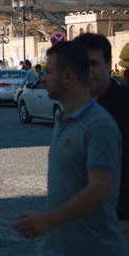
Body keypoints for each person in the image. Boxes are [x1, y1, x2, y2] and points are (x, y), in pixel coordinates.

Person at [13, 41, 128, 255]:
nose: (43, 78)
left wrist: (47, 220)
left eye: (48, 71)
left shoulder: (98, 125)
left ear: (67, 76)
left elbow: (99, 190)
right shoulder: (65, 119)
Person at [75, 33, 129, 242]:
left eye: (93, 64)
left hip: (120, 219)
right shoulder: (73, 109)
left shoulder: (124, 105)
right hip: (84, 221)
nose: (87, 72)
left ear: (108, 64)